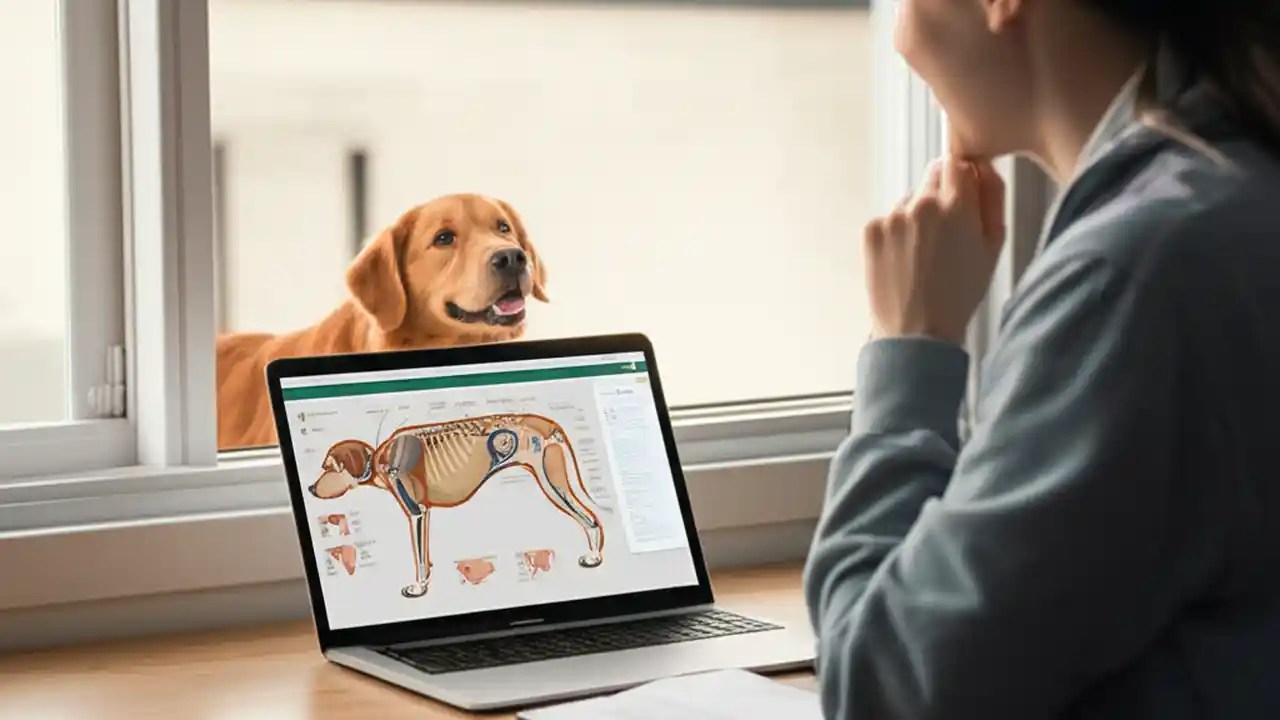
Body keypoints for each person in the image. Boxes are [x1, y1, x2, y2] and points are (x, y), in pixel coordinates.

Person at [802, 0, 1280, 717]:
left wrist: (912, 344)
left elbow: (885, 690)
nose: (898, 36)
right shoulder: (1235, 194)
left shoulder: (1136, 277)